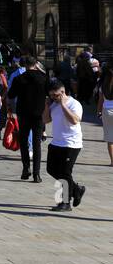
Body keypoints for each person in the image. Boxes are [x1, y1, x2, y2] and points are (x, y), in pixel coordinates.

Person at [8, 56, 48, 183]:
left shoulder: (19, 78)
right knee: (37, 144)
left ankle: (26, 168)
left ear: (24, 65)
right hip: (38, 114)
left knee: (24, 141)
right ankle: (37, 174)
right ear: (36, 64)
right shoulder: (43, 78)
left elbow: (11, 95)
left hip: (23, 114)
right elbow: (49, 93)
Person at [46, 81, 85, 212]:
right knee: (51, 169)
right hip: (56, 142)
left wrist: (63, 105)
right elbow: (45, 120)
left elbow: (74, 120)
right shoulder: (53, 105)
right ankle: (76, 189)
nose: (53, 98)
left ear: (62, 93)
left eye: (55, 95)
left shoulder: (74, 104)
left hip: (71, 144)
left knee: (65, 173)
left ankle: (65, 202)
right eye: (51, 95)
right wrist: (47, 105)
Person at [95, 65, 113, 166]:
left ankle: (112, 161)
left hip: (107, 111)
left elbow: (100, 101)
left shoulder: (103, 86)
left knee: (110, 139)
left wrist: (98, 112)